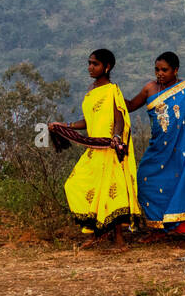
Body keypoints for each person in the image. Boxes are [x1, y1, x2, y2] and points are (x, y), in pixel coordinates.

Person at [48, 49, 140, 246]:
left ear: (106, 67)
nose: (90, 67)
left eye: (95, 64)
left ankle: (119, 239)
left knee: (110, 192)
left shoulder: (112, 90)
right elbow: (89, 122)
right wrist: (66, 126)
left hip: (109, 149)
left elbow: (119, 119)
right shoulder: (91, 90)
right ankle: (97, 233)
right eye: (89, 63)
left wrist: (116, 137)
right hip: (94, 148)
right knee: (75, 184)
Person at [125, 52, 185, 247]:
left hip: (182, 150)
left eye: (165, 70)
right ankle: (157, 229)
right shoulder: (149, 88)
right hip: (158, 148)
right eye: (157, 69)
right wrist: (112, 96)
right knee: (146, 181)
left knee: (183, 184)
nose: (160, 74)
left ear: (175, 70)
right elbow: (130, 106)